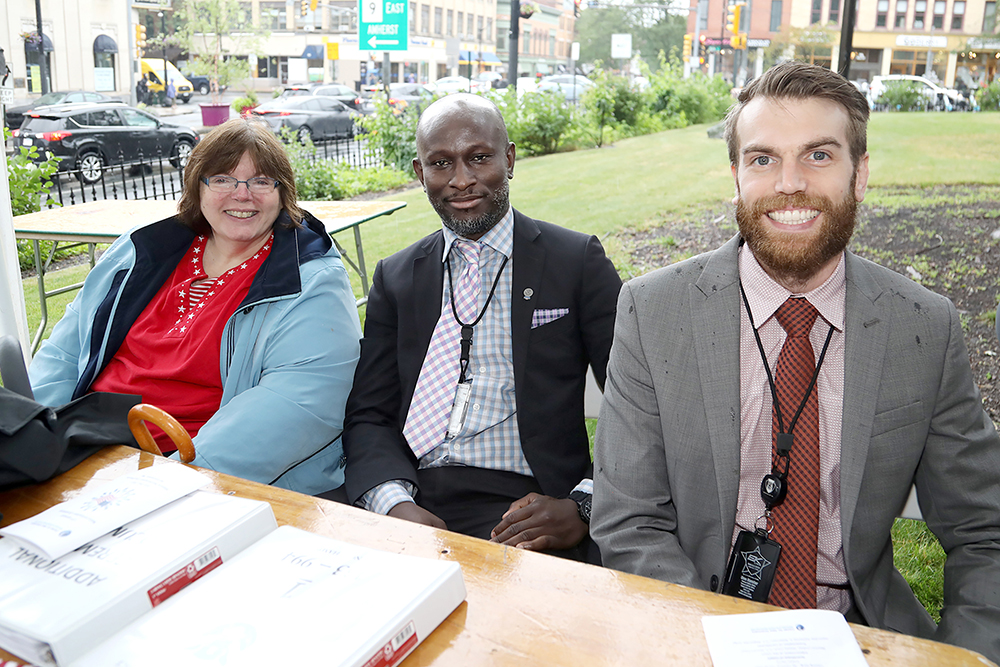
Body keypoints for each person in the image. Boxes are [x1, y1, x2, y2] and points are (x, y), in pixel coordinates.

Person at [591, 60, 1000, 662]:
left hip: (864, 634)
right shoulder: (654, 312)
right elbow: (628, 522)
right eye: (762, 159)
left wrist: (969, 655)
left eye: (818, 155)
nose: (789, 183)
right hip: (696, 627)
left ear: (860, 175)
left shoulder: (923, 325)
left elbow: (983, 530)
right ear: (735, 177)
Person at [342, 93, 621, 560]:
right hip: (413, 495)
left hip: (525, 505)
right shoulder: (397, 276)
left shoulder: (575, 262)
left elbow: (639, 407)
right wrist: (391, 503)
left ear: (508, 159)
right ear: (419, 173)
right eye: (440, 163)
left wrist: (585, 503)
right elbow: (370, 411)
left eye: (478, 158)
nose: (462, 180)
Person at [29, 117, 362, 496]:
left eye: (261, 180)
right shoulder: (141, 251)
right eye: (221, 179)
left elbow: (294, 407)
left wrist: (162, 485)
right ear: (197, 187)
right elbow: (65, 348)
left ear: (282, 193)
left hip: (187, 467)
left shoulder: (311, 281)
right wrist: (39, 429)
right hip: (89, 443)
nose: (242, 194)